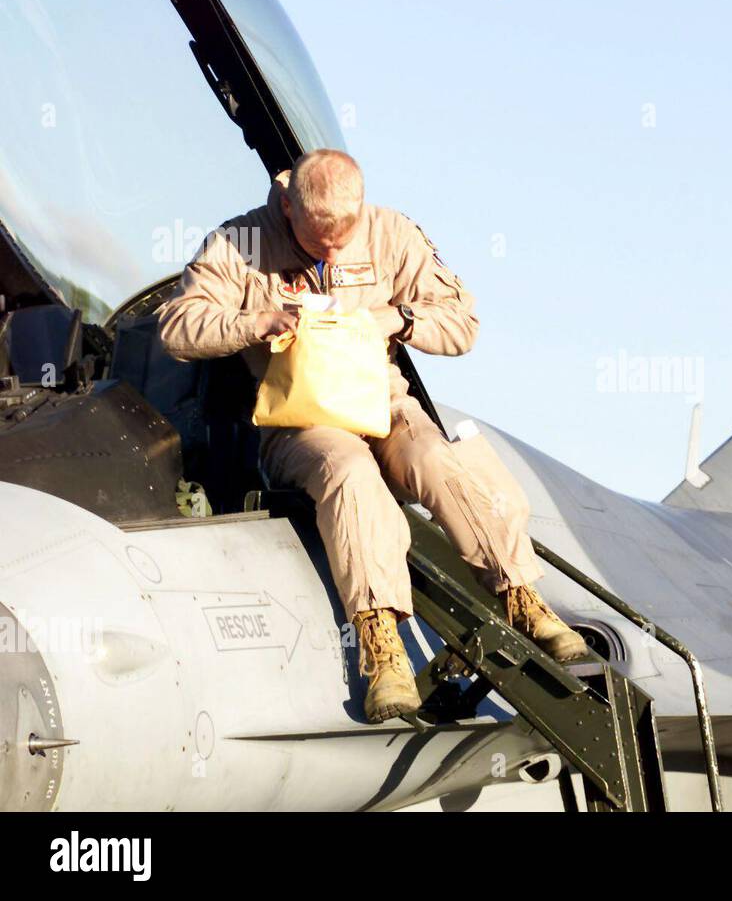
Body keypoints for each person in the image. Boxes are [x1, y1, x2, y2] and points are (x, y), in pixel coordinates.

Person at [157, 149, 586, 723]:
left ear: (360, 209)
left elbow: (463, 323)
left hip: (383, 405)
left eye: (343, 239)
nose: (333, 252)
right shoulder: (241, 244)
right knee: (351, 475)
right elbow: (176, 327)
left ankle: (519, 594)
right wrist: (254, 323)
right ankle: (381, 647)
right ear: (288, 206)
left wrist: (401, 318)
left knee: (435, 459)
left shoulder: (391, 234)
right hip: (300, 422)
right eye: (317, 242)